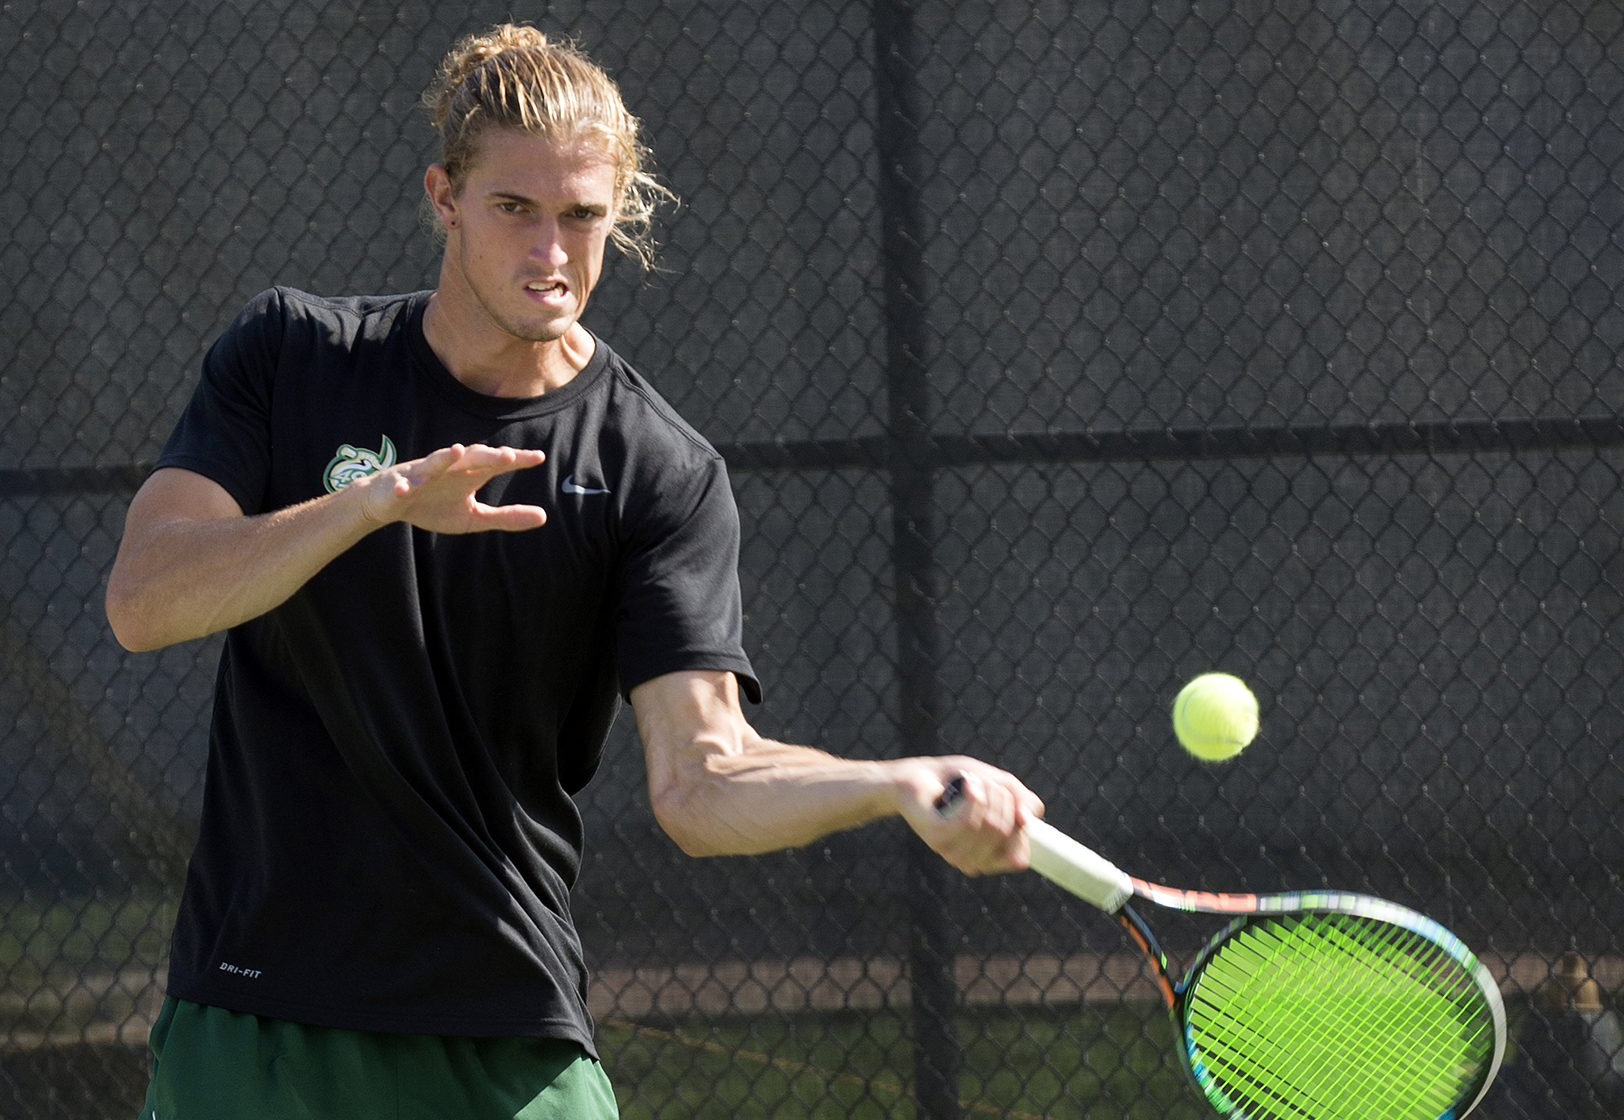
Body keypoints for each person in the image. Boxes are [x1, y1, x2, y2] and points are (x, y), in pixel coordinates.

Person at [104, 24, 1043, 1120]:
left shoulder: (658, 468)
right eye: (515, 209)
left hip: (505, 1033)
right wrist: (376, 503)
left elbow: (702, 782)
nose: (551, 251)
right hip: (257, 1020)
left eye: (581, 217)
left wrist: (890, 786)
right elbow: (144, 599)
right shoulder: (290, 354)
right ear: (444, 197)